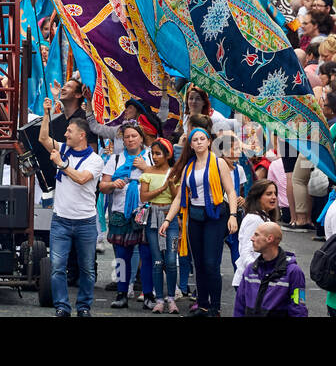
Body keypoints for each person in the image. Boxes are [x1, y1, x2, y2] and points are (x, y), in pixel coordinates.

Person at [162, 126, 240, 316]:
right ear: (191, 144)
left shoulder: (218, 163)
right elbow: (180, 195)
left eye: (202, 139)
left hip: (215, 214)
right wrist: (167, 219)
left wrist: (233, 215)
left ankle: (216, 307)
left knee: (211, 263)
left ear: (208, 142)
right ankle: (203, 305)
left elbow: (230, 191)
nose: (198, 142)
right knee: (198, 263)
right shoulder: (188, 166)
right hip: (195, 216)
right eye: (194, 140)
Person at [40, 98, 104, 317]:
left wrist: (61, 164)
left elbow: (81, 178)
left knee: (87, 268)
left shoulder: (95, 160)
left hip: (85, 222)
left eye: (69, 131)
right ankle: (62, 306)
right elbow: (43, 138)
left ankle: (84, 307)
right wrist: (46, 113)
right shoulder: (64, 148)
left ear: (81, 135)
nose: (65, 134)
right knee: (58, 266)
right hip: (61, 220)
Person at [101, 122, 153, 309]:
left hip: (144, 211)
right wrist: (113, 185)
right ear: (123, 140)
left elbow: (164, 179)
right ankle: (122, 293)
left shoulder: (150, 157)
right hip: (120, 211)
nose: (130, 140)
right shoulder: (115, 160)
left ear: (141, 138)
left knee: (147, 256)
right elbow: (102, 186)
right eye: (127, 137)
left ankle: (148, 294)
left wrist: (146, 168)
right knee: (122, 256)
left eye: (134, 136)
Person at [137, 137, 181, 313]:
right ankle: (159, 299)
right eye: (153, 153)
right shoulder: (147, 173)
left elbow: (177, 197)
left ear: (168, 154)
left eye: (158, 153)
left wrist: (170, 186)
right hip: (153, 219)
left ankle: (171, 298)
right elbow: (144, 197)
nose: (155, 157)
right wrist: (162, 189)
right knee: (156, 260)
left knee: (171, 260)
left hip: (170, 218)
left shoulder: (175, 173)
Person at [233, 222, 308, 317]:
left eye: (256, 235)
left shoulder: (293, 272)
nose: (252, 238)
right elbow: (239, 306)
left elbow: (299, 308)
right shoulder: (250, 270)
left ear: (269, 239)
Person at [233, 179, 281, 289]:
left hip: (257, 280)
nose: (273, 197)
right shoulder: (254, 219)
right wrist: (261, 270)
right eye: (269, 194)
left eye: (275, 193)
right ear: (258, 198)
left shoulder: (264, 217)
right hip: (250, 281)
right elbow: (245, 251)